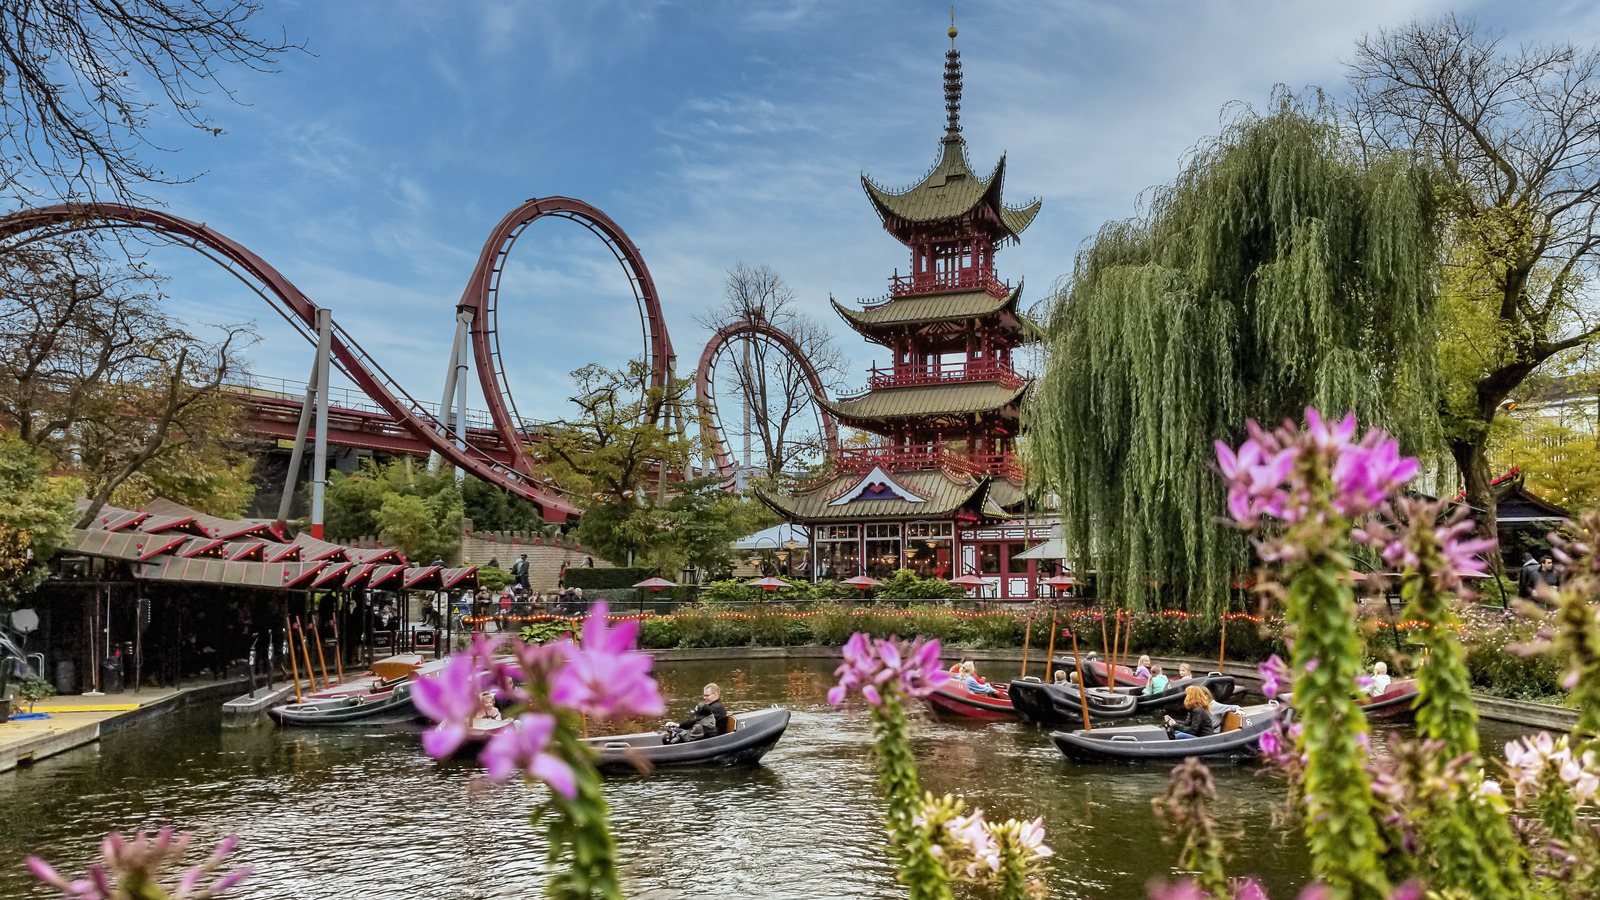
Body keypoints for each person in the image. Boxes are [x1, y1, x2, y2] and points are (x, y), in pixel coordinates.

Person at [663, 683, 728, 744]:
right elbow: (695, 720)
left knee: (678, 731)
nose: (705, 698)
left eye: (707, 695)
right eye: (704, 695)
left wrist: (679, 725)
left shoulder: (715, 708)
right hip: (705, 731)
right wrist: (679, 725)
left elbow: (695, 721)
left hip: (713, 736)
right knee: (678, 730)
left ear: (715, 695)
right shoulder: (710, 706)